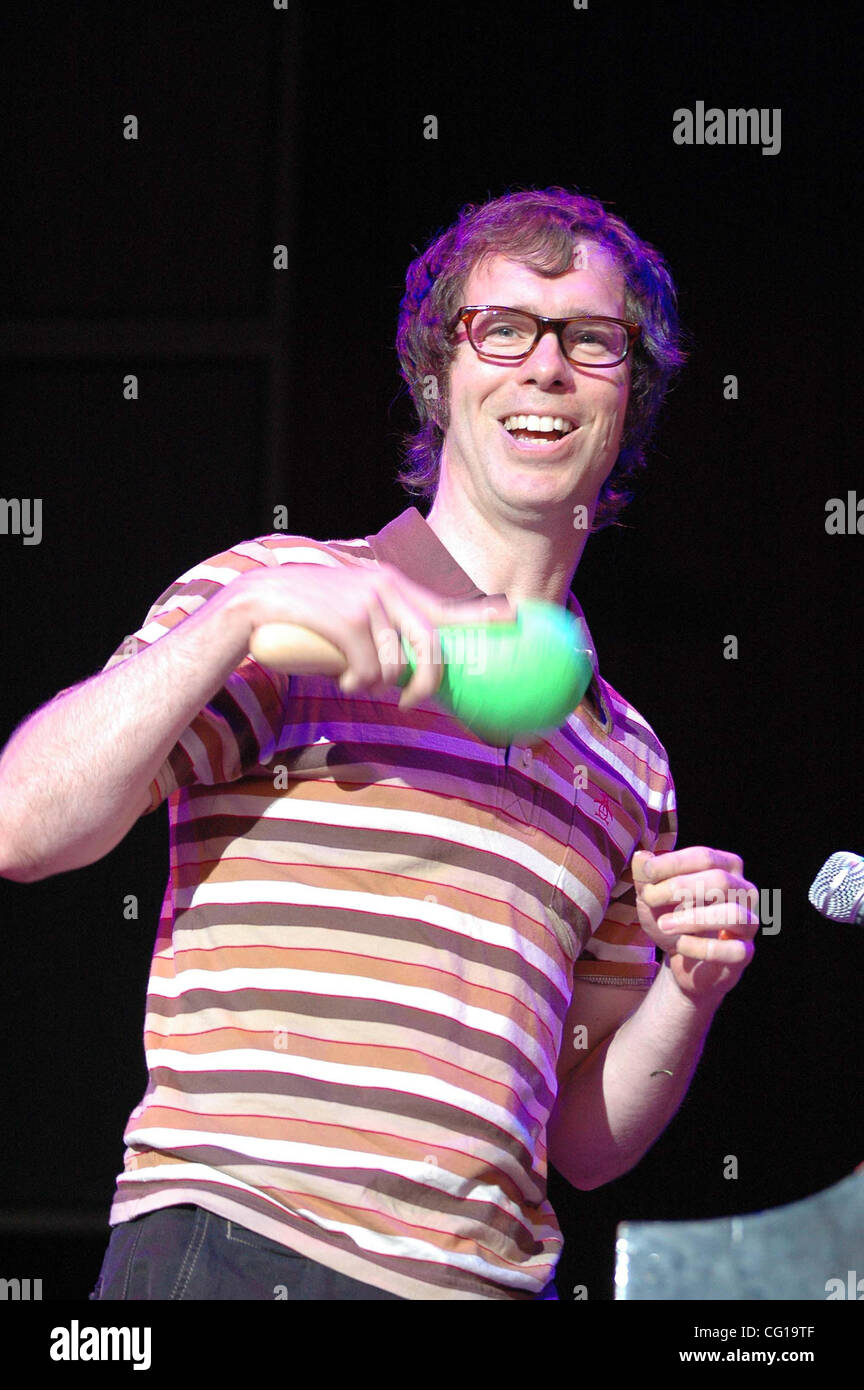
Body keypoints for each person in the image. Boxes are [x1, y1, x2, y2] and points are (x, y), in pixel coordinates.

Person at [0, 186, 758, 1301]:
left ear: (629, 391)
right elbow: (23, 823)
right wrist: (239, 628)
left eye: (590, 340)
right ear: (438, 375)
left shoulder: (628, 757)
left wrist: (686, 994)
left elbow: (582, 1142)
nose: (545, 367)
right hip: (239, 1252)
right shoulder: (280, 599)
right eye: (501, 328)